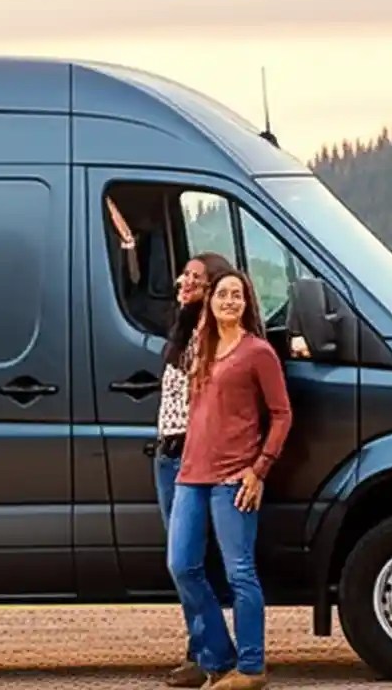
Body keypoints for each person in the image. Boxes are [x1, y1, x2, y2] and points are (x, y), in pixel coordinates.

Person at [168, 269, 293, 690]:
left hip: (233, 478)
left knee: (240, 572)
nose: (230, 301)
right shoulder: (201, 350)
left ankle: (252, 667)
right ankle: (220, 658)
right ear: (211, 301)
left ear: (247, 303)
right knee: (182, 565)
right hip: (191, 474)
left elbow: (282, 414)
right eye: (222, 294)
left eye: (237, 295)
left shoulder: (258, 352)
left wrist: (259, 470)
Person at [153, 250, 236, 688]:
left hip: (194, 455)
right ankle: (199, 654)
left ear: (213, 287)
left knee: (188, 562)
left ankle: (219, 656)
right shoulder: (183, 327)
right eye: (184, 274)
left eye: (196, 278)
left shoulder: (216, 335)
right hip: (167, 454)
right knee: (183, 562)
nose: (185, 282)